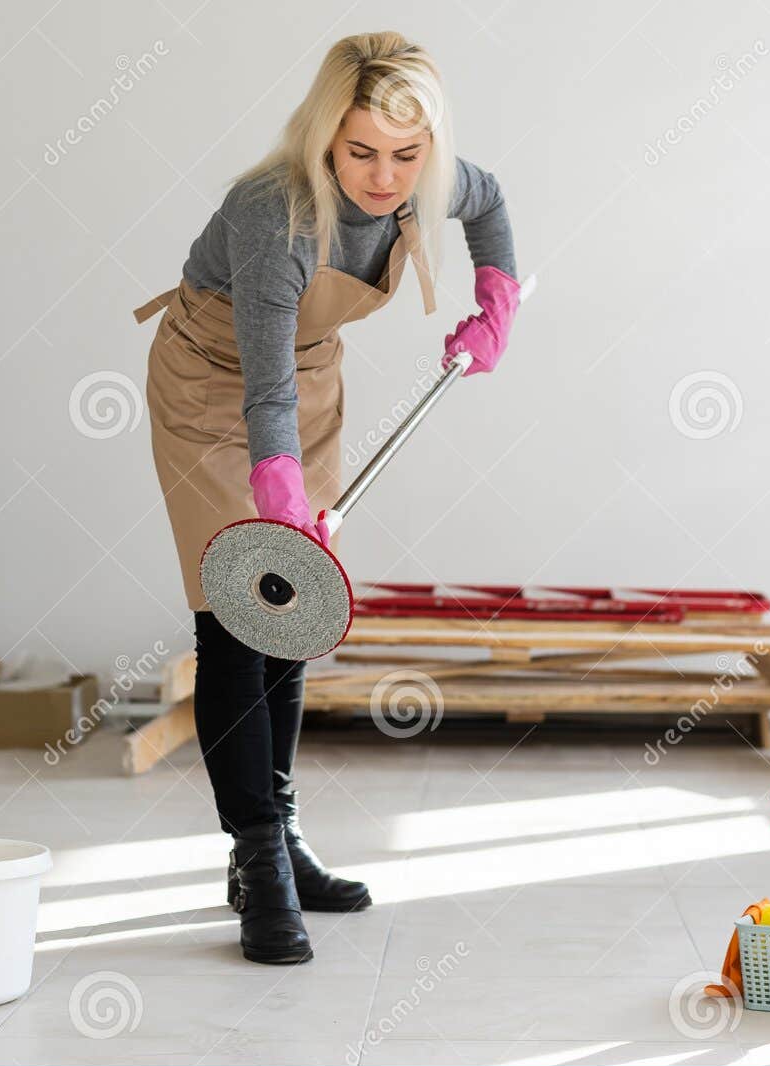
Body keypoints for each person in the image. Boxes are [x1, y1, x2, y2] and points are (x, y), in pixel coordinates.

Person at [134, 32, 520, 964]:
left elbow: (492, 200)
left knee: (291, 612)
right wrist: (276, 490)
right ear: (322, 138)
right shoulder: (279, 216)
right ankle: (257, 859)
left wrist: (496, 297)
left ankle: (283, 834)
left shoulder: (433, 177)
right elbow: (256, 388)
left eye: (406, 154)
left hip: (305, 386)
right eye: (360, 152)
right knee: (237, 611)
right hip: (212, 386)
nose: (385, 177)